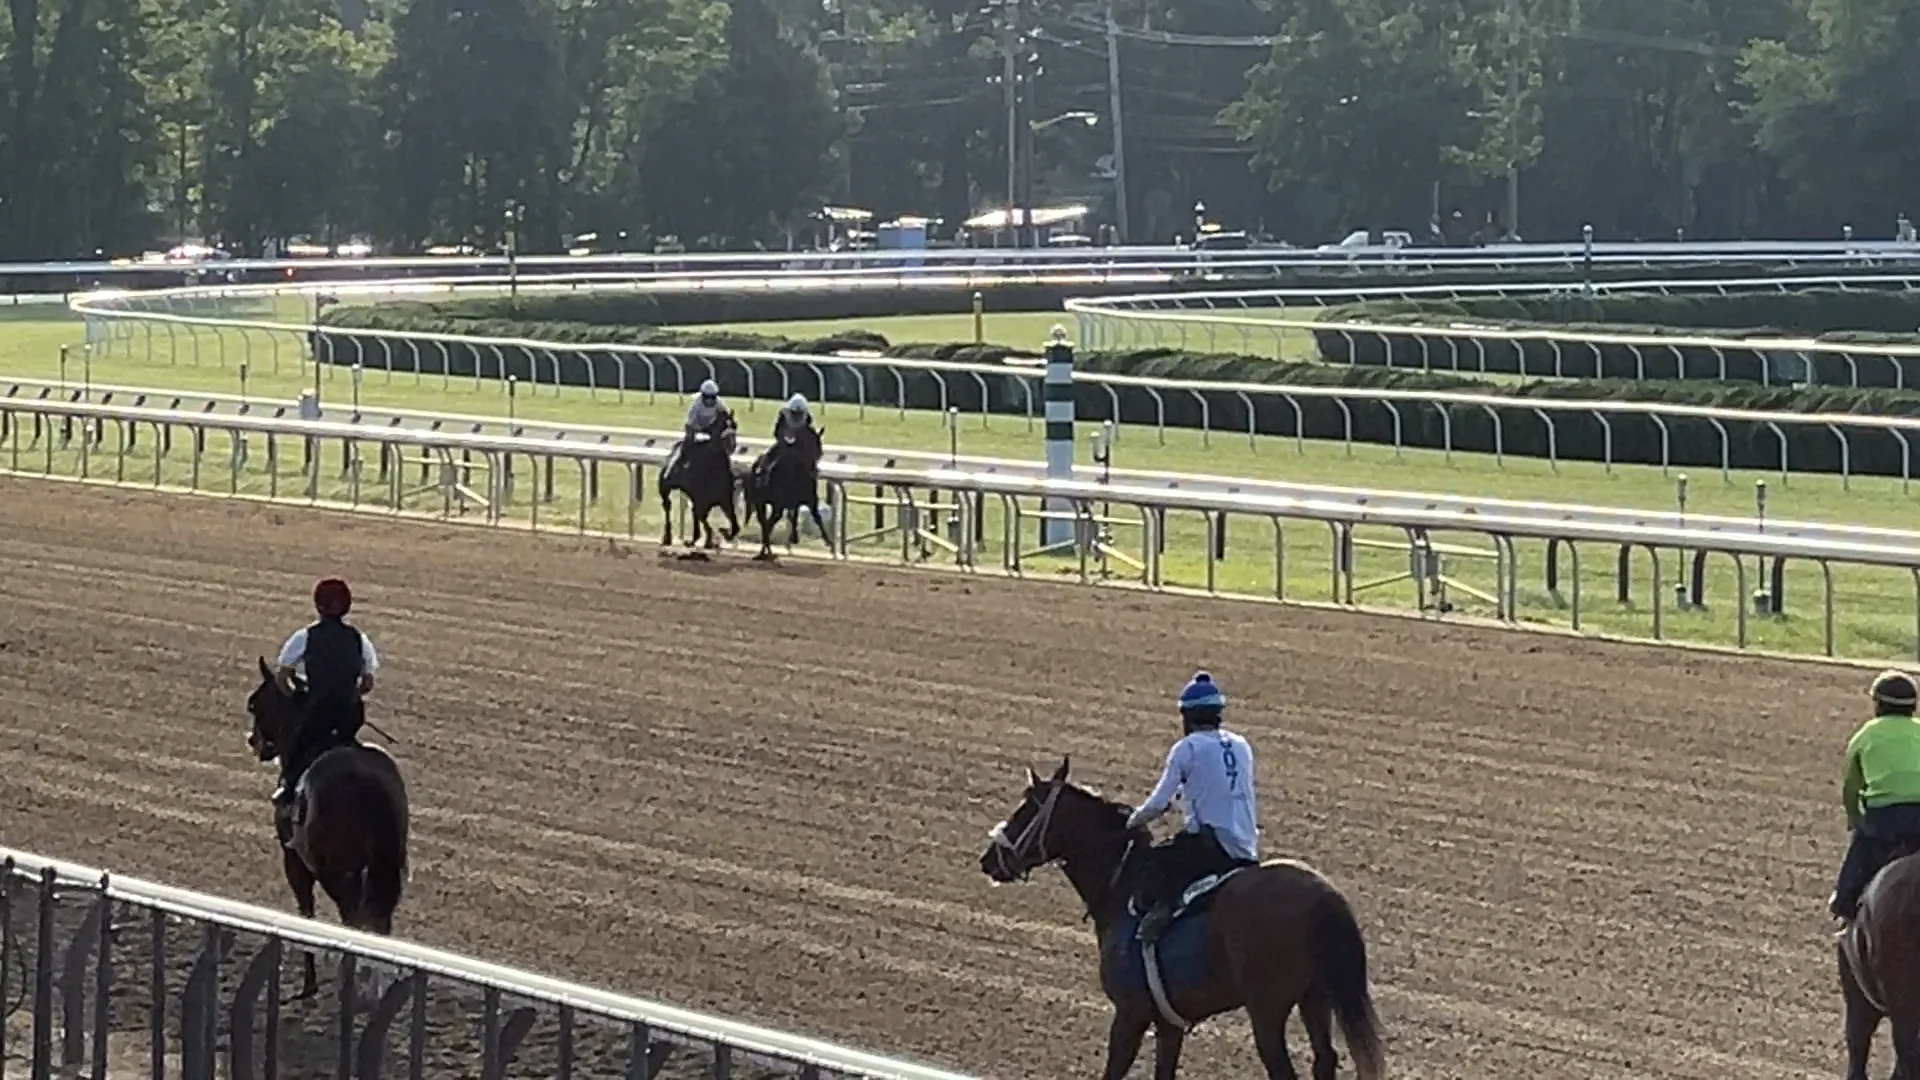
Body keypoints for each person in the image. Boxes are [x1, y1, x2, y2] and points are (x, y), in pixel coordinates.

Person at [1126, 671, 1261, 943]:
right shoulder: (1241, 745)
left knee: (1152, 863)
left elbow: (1158, 803)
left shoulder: (1186, 748)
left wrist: (1132, 822)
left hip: (1211, 845)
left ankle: (1159, 918)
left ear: (1186, 717)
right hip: (1247, 846)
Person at [272, 577, 378, 816]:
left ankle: (288, 789)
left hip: (317, 711)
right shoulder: (360, 639)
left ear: (318, 605)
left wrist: (297, 698)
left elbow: (282, 677)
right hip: (349, 715)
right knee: (349, 742)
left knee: (298, 748)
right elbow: (368, 683)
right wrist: (352, 693)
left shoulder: (304, 637)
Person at [1830, 669, 1920, 922]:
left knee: (1862, 848)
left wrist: (1855, 817)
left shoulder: (1865, 735)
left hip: (1885, 819)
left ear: (1878, 704)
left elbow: (1850, 787)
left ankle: (1844, 900)